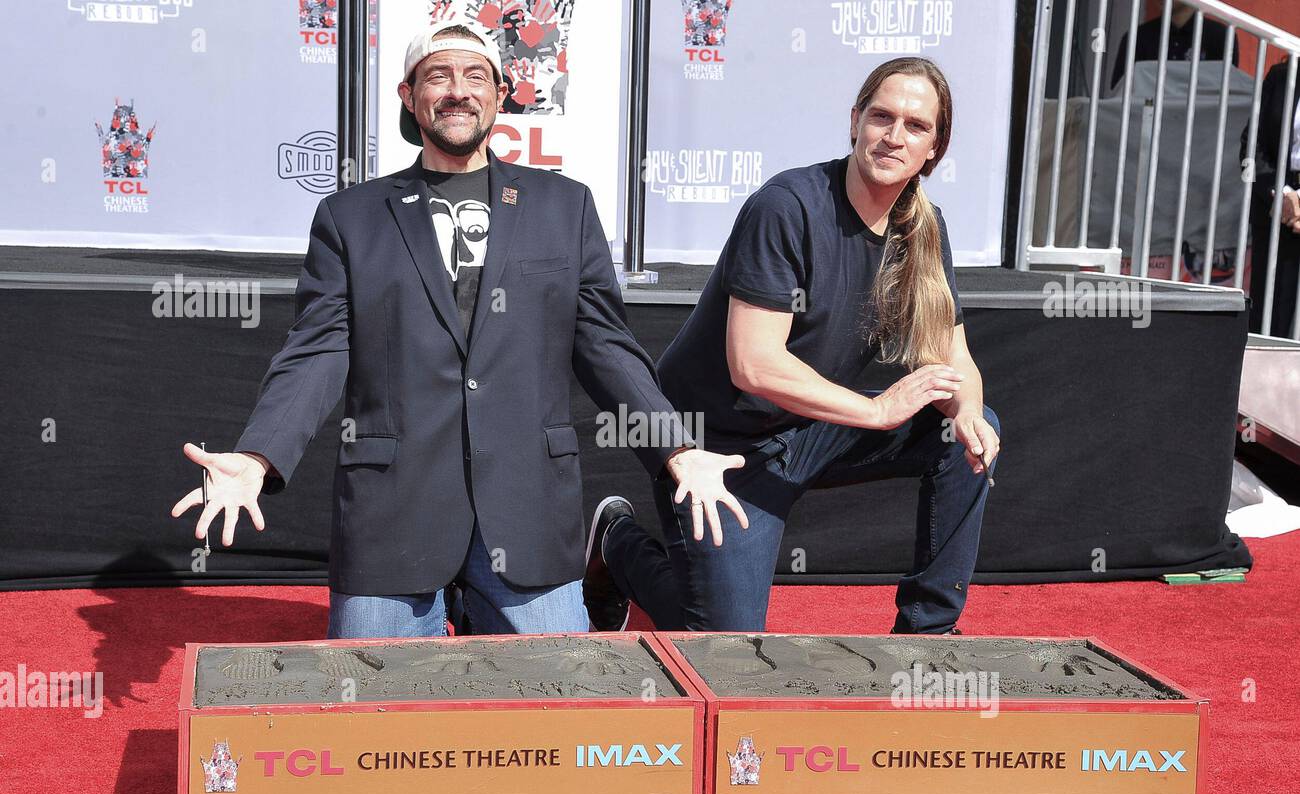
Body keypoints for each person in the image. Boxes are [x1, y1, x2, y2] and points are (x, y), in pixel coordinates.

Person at [171, 17, 745, 638]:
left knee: (560, 707)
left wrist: (675, 447)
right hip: (394, 511)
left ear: (501, 94)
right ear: (408, 96)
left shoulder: (564, 206)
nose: (457, 90)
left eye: (476, 76)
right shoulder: (350, 219)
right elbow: (317, 352)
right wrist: (259, 456)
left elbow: (605, 345)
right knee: (377, 719)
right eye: (437, 75)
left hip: (526, 506)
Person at [583, 57, 1001, 635]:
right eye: (881, 116)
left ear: (935, 147)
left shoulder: (925, 228)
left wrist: (970, 413)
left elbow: (955, 359)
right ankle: (619, 544)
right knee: (724, 646)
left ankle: (928, 634)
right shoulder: (787, 205)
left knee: (967, 432)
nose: (894, 136)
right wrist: (878, 411)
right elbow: (754, 365)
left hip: (812, 429)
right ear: (854, 121)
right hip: (719, 446)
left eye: (915, 125)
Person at [1242, 58, 1300, 336]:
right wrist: (1283, 195)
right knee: (1269, 325)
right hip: (1277, 206)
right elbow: (1251, 147)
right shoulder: (1281, 77)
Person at [1110, 2, 1238, 91]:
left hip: (1202, 125)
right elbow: (1120, 91)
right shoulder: (1137, 37)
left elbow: (1228, 94)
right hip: (1146, 124)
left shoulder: (1221, 36)